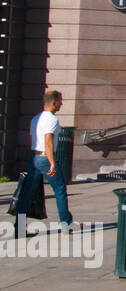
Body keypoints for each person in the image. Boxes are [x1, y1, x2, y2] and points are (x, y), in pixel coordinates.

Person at [15, 91, 73, 229]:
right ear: (54, 103)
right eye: (60, 101)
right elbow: (48, 140)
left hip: (34, 157)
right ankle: (67, 224)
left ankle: (19, 227)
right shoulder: (52, 119)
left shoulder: (35, 118)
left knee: (26, 194)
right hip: (45, 158)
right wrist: (52, 162)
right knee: (59, 190)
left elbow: (32, 140)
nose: (62, 103)